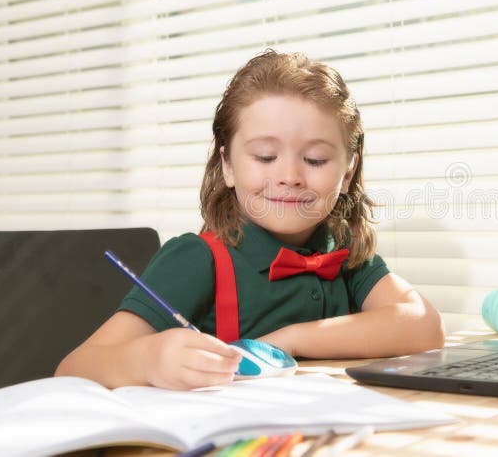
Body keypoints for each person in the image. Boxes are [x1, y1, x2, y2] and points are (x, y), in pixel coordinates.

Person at [56, 50, 444, 390]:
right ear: (228, 165)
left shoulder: (344, 250)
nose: (289, 175)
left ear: (346, 173)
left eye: (315, 160)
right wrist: (148, 359)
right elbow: (73, 369)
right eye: (264, 157)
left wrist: (289, 340)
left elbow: (424, 327)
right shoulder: (195, 259)